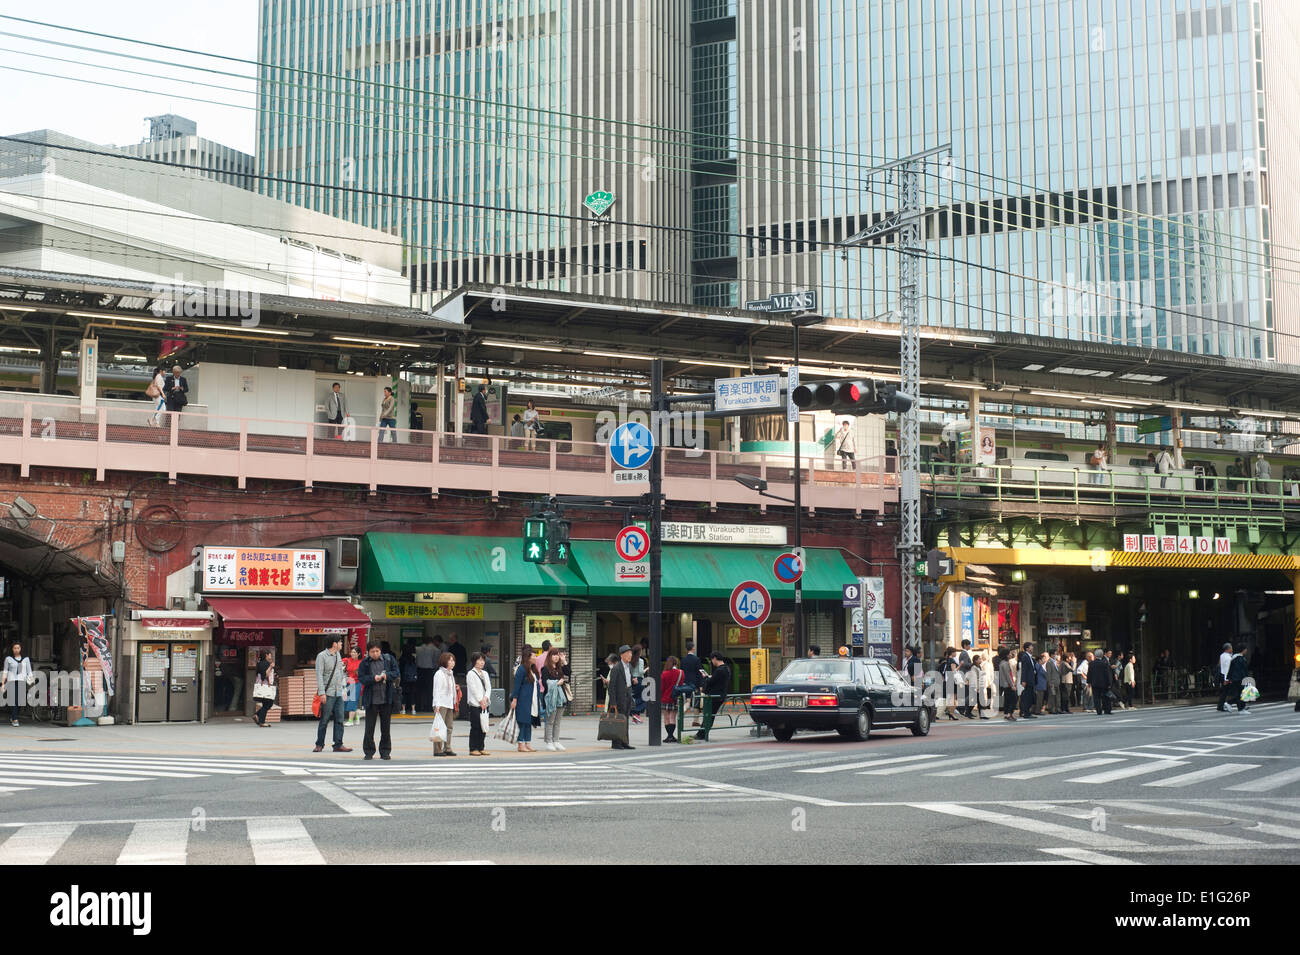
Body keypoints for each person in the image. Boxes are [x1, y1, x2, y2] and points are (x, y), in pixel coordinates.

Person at [358, 644, 398, 760]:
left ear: (380, 651)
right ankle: (369, 751)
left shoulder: (388, 659)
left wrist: (386, 676)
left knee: (386, 728)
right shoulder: (365, 663)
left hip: (386, 698)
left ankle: (385, 751)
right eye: (372, 651)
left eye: (377, 651)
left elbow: (396, 673)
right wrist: (372, 679)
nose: (375, 653)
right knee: (369, 728)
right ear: (368, 652)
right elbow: (361, 678)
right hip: (371, 699)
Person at [313, 636, 351, 753]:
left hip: (338, 692)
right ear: (334, 644)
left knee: (340, 719)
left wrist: (343, 690)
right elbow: (319, 675)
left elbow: (340, 673)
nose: (341, 644)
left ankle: (338, 744)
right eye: (340, 642)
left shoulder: (338, 655)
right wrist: (322, 693)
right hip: (327, 693)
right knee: (324, 719)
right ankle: (319, 744)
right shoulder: (321, 656)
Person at [695, 652, 731, 742]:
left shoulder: (719, 670)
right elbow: (718, 680)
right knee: (710, 715)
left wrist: (706, 677)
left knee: (708, 715)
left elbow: (711, 682)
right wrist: (711, 677)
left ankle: (701, 734)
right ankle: (702, 733)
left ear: (715, 658)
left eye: (712, 660)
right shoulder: (726, 668)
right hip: (721, 695)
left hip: (714, 696)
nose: (712, 662)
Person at [511, 646, 540, 753]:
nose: (536, 657)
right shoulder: (522, 669)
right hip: (523, 700)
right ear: (528, 657)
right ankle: (520, 744)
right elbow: (517, 686)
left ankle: (528, 743)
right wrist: (514, 699)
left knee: (529, 722)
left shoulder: (533, 669)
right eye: (534, 656)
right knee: (522, 722)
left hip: (532, 699)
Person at [605, 645, 635, 750]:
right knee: (617, 720)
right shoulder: (616, 668)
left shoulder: (630, 667)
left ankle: (624, 741)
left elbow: (628, 681)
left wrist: (633, 681)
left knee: (625, 720)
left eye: (630, 653)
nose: (630, 656)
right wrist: (613, 702)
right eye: (627, 654)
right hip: (618, 698)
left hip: (627, 696)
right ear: (622, 655)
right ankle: (616, 743)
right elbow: (611, 687)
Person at [539, 649, 569, 751]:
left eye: (557, 655)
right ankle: (549, 742)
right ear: (549, 656)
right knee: (550, 721)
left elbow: (569, 672)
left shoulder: (560, 668)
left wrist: (564, 661)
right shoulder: (545, 669)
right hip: (550, 698)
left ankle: (556, 741)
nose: (556, 657)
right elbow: (544, 683)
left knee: (557, 722)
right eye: (554, 655)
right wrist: (556, 683)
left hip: (561, 698)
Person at [432, 651, 459, 756]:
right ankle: (437, 749)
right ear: (444, 661)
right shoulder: (439, 674)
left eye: (453, 660)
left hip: (449, 703)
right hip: (441, 703)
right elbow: (437, 690)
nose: (452, 662)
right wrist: (437, 704)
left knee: (449, 726)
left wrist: (455, 701)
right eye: (450, 660)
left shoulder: (450, 674)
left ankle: (447, 747)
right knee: (439, 727)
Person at [466, 651, 493, 756]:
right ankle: (473, 748)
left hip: (485, 704)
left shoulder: (485, 673)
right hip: (475, 704)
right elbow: (473, 689)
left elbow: (489, 687)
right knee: (476, 726)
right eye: (479, 660)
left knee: (484, 726)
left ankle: (481, 747)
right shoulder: (471, 674)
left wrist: (485, 698)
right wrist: (480, 700)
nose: (482, 662)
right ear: (474, 661)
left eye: (483, 660)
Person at [2, 642, 32, 726]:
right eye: (14, 648)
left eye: (18, 648)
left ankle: (13, 716)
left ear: (20, 649)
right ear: (12, 649)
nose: (16, 650)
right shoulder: (8, 659)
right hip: (12, 681)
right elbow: (5, 671)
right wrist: (3, 683)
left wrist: (31, 682)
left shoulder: (26, 659)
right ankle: (15, 719)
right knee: (14, 701)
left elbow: (29, 672)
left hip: (22, 681)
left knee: (20, 701)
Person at [660, 655, 684, 742]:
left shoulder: (664, 674)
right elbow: (681, 685)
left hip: (665, 697)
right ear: (676, 663)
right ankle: (672, 736)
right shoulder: (681, 672)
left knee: (666, 717)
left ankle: (669, 736)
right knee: (673, 717)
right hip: (675, 698)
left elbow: (661, 687)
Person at [1225, 645, 1251, 714]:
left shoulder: (1234, 658)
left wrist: (1228, 678)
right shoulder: (1241, 659)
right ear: (1243, 650)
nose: (1246, 651)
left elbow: (1231, 669)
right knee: (1243, 694)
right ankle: (1240, 709)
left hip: (1235, 679)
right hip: (1240, 678)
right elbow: (1243, 670)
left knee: (1239, 694)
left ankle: (1231, 704)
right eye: (1246, 649)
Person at [253, 650, 276, 727]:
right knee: (268, 703)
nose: (271, 656)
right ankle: (261, 721)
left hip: (263, 686)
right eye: (270, 655)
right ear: (266, 655)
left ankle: (257, 715)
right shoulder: (265, 664)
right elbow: (265, 675)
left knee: (266, 703)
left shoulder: (260, 663)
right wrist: (271, 666)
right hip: (266, 686)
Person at [1088, 647, 1113, 714]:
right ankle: (1107, 710)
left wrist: (1089, 682)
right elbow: (1107, 674)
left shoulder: (1091, 664)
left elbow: (1089, 673)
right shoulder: (1105, 663)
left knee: (1096, 697)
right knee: (1105, 697)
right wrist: (1109, 683)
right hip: (1104, 683)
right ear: (1102, 655)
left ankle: (1099, 711)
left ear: (1095, 655)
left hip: (1095, 683)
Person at [1016, 642, 1037, 719]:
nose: (1032, 648)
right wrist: (1023, 680)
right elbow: (1024, 670)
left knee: (1030, 696)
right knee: (1027, 697)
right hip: (1027, 680)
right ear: (1027, 648)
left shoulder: (1030, 657)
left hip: (1031, 679)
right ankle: (1026, 713)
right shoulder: (1025, 657)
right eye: (1031, 647)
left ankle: (1027, 712)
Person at [343, 646, 362, 726]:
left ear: (358, 654)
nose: (352, 654)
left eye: (354, 652)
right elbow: (339, 662)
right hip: (348, 682)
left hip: (357, 683)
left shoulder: (361, 663)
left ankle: (350, 720)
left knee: (352, 701)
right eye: (352, 652)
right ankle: (357, 715)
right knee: (346, 701)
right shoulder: (347, 660)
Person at [416, 637, 435, 713]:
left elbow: (416, 660)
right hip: (429, 671)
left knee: (419, 690)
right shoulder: (432, 650)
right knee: (429, 690)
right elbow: (434, 661)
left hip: (420, 670)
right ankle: (429, 707)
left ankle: (418, 707)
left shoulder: (417, 649)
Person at [996, 648, 1017, 721]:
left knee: (1007, 700)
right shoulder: (1005, 664)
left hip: (1005, 684)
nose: (1011, 655)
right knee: (1013, 699)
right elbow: (1008, 675)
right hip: (1007, 684)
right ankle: (1009, 714)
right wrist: (1012, 685)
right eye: (1009, 654)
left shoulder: (1002, 663)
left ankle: (1007, 714)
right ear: (1006, 655)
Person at [629, 644, 647, 723]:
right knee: (643, 699)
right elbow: (640, 672)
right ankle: (635, 713)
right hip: (639, 680)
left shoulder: (630, 659)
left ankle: (635, 718)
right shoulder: (640, 660)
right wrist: (646, 669)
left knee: (635, 698)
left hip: (632, 680)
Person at [398, 642, 418, 715]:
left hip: (404, 678)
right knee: (412, 693)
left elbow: (400, 669)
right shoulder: (413, 658)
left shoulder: (402, 659)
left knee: (404, 693)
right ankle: (413, 710)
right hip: (413, 679)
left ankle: (403, 710)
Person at [1216, 642, 1235, 712]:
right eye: (1231, 648)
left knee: (1224, 692)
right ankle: (1227, 704)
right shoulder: (1227, 657)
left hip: (1222, 675)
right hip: (1226, 676)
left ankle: (1220, 706)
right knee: (1234, 691)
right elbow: (1227, 668)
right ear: (1228, 649)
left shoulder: (1222, 655)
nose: (1232, 649)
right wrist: (1227, 679)